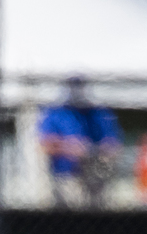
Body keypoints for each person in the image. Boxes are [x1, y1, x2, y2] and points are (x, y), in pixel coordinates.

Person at [38, 76, 123, 208]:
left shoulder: (97, 113)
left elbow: (113, 145)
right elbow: (44, 144)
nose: (77, 91)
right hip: (65, 176)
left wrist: (93, 151)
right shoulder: (56, 112)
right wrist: (69, 147)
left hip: (93, 175)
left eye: (80, 86)